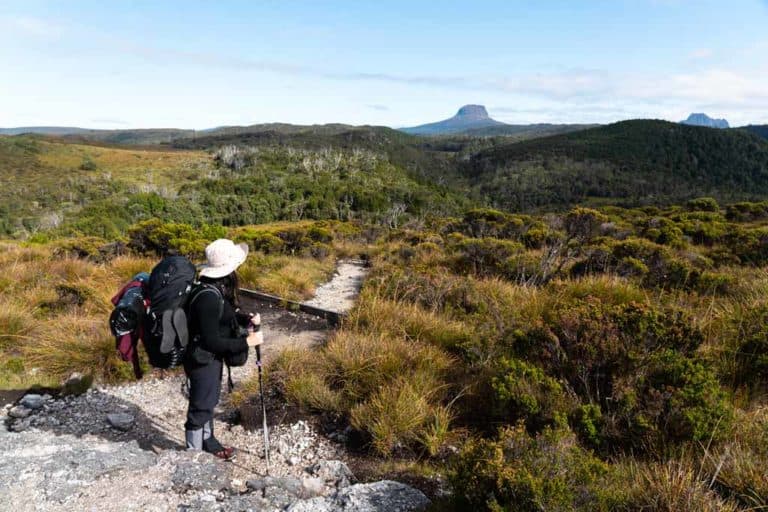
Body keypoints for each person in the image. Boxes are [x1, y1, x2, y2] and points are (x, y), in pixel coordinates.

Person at [184, 238, 263, 460]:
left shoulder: (212, 288)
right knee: (200, 407)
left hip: (208, 358)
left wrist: (244, 318)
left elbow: (224, 315)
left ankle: (208, 442)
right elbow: (211, 341)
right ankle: (193, 460)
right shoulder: (208, 297)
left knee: (208, 400)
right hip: (202, 359)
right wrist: (246, 342)